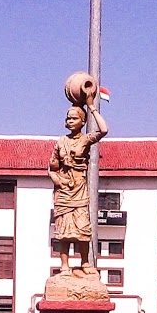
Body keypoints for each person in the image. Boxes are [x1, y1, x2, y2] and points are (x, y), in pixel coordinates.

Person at [48, 98, 109, 277]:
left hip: (79, 189)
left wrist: (91, 107)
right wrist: (57, 180)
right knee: (63, 231)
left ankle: (85, 262)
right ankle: (64, 265)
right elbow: (52, 168)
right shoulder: (60, 142)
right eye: (68, 118)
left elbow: (104, 130)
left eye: (74, 118)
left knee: (83, 229)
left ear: (83, 121)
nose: (70, 121)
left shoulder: (85, 139)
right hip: (63, 191)